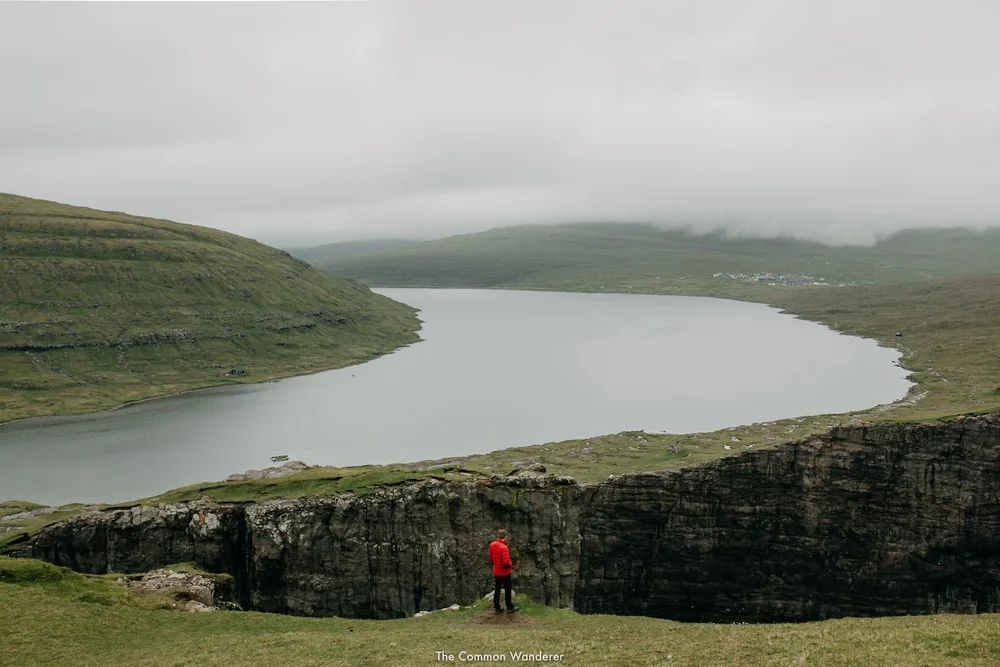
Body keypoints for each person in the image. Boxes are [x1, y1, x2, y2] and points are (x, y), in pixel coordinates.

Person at [488, 529, 518, 614]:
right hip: (505, 572)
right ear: (505, 536)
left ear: (497, 535)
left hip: (497, 571)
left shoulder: (492, 545)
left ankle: (497, 607)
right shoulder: (504, 547)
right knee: (508, 589)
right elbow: (506, 562)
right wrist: (510, 565)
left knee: (497, 589)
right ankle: (509, 607)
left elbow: (490, 557)